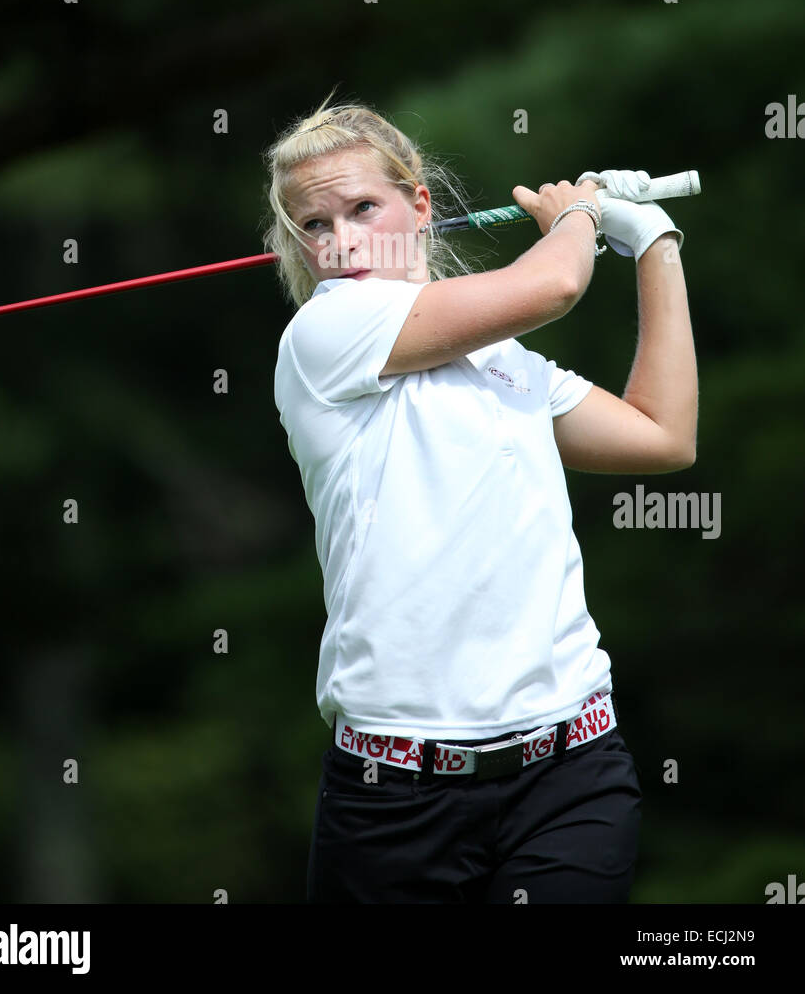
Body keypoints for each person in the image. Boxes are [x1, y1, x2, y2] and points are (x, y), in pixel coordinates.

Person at [264, 91, 697, 904]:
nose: (342, 240)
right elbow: (553, 288)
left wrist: (655, 244)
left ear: (418, 204)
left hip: (571, 771)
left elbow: (662, 434)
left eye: (363, 207)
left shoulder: (506, 363)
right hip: (397, 797)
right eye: (313, 226)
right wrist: (580, 216)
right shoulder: (325, 336)